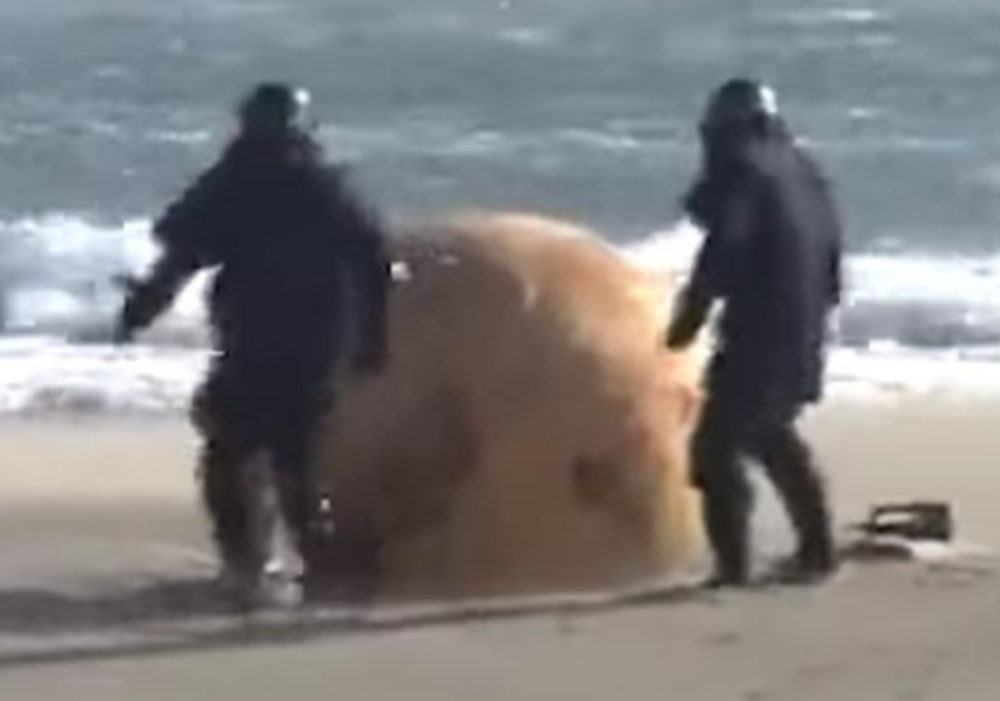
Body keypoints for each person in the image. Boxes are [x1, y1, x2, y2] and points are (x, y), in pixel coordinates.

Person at [115, 82, 391, 606]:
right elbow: (373, 261)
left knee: (236, 452)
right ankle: (316, 568)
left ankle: (251, 567)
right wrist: (371, 342)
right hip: (314, 339)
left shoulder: (234, 181)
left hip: (257, 337)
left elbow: (180, 256)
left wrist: (140, 310)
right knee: (293, 456)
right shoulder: (322, 184)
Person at [666, 78, 843, 587]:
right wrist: (817, 316)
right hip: (803, 323)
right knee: (769, 431)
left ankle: (733, 569)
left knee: (714, 449)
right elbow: (831, 253)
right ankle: (817, 551)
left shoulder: (744, 170)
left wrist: (689, 318)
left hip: (762, 331)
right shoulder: (804, 170)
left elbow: (725, 248)